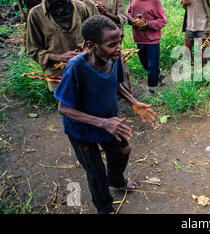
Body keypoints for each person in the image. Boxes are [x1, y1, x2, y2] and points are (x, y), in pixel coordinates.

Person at [54, 15, 157, 214]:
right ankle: (105, 208)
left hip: (109, 122)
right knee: (95, 171)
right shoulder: (76, 67)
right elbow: (64, 108)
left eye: (119, 42)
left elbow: (116, 83)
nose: (118, 48)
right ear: (92, 45)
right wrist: (101, 122)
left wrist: (133, 102)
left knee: (123, 150)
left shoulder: (113, 58)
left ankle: (116, 180)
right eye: (112, 44)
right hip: (82, 129)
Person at [26, 0, 90, 92]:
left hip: (86, 70)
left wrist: (84, 53)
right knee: (67, 109)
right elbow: (33, 50)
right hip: (59, 76)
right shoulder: (36, 15)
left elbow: (93, 38)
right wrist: (60, 57)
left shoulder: (80, 8)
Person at [83, 0, 132, 93]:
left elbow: (123, 19)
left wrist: (106, 14)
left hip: (113, 41)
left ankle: (127, 94)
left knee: (120, 66)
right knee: (97, 66)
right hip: (95, 41)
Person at [128, 0, 167, 94]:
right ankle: (158, 73)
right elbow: (129, 13)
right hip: (139, 38)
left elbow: (162, 21)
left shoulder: (155, 1)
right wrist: (132, 20)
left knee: (151, 66)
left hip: (152, 40)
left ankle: (152, 90)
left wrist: (148, 24)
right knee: (145, 64)